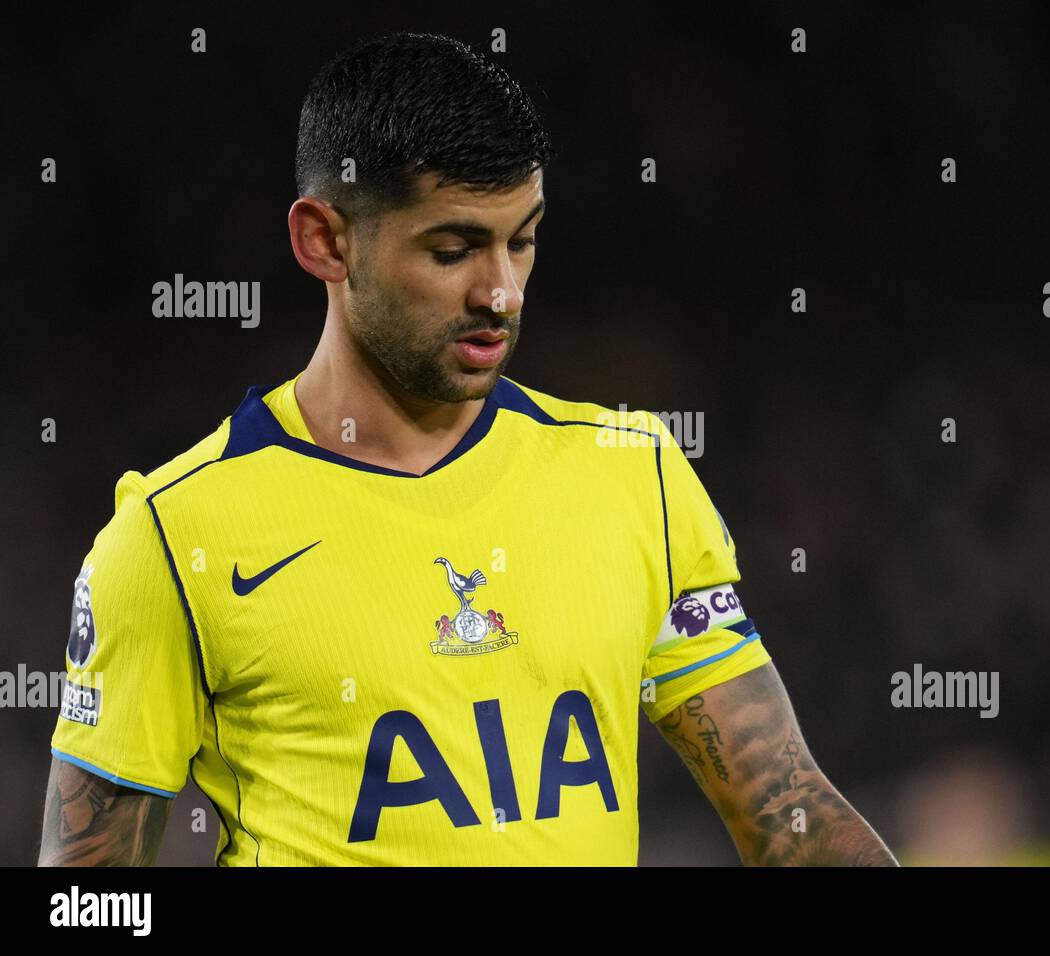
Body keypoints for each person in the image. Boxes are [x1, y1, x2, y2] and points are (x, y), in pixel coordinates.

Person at [39, 31, 896, 866]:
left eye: (521, 239)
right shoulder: (171, 540)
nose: (502, 292)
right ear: (325, 241)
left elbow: (789, 818)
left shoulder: (635, 475)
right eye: (453, 250)